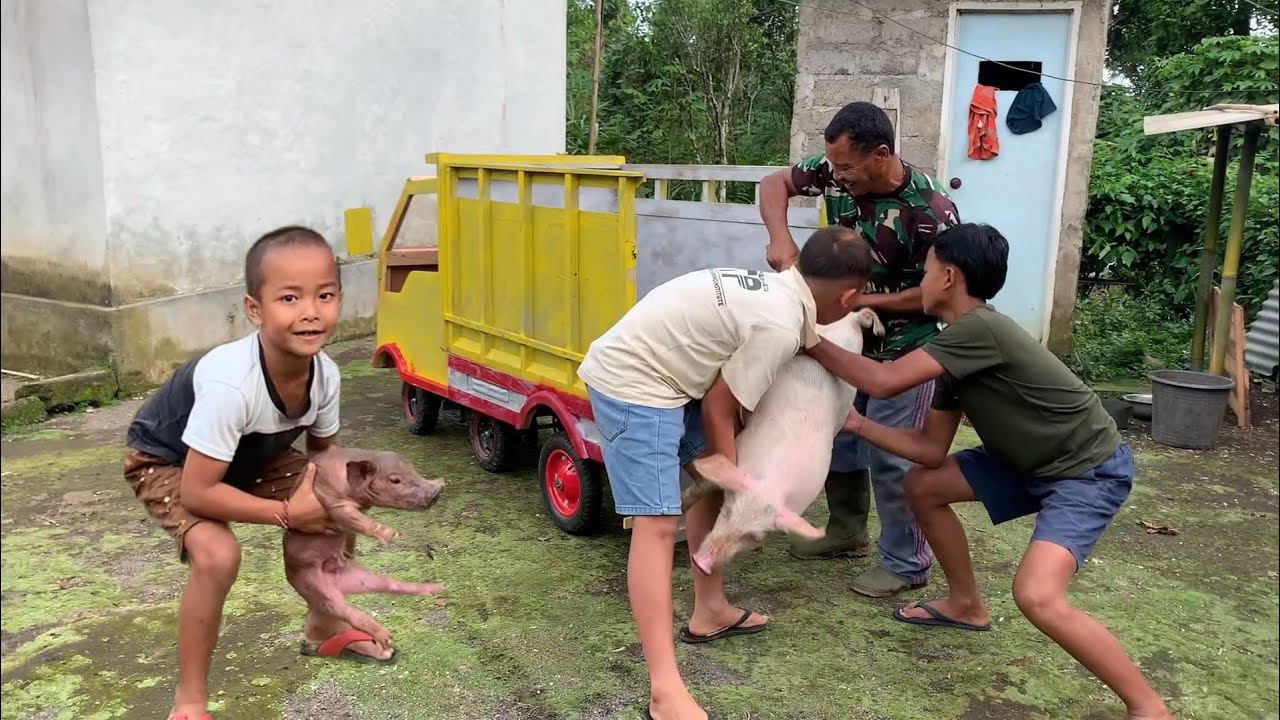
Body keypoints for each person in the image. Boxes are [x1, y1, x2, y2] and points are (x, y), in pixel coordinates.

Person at [804, 223, 1174, 720]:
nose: (922, 281)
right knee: (924, 486)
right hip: (1024, 460)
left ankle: (1148, 707)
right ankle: (964, 605)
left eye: (927, 271)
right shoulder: (958, 345)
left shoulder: (979, 330)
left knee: (1037, 596)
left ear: (949, 277)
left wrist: (806, 336)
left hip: (1085, 470)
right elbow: (930, 451)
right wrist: (855, 422)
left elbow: (886, 381)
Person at [577, 226, 874, 720]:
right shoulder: (780, 323)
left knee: (711, 481)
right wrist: (737, 483)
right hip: (635, 382)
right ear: (848, 297)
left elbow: (787, 346)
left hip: (673, 375)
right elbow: (719, 409)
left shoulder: (783, 293)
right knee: (654, 525)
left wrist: (724, 472)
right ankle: (664, 692)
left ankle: (709, 610)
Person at [123, 226, 367, 720]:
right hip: (170, 461)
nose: (310, 312)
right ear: (255, 309)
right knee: (217, 554)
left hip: (250, 453)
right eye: (289, 298)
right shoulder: (231, 385)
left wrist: (325, 500)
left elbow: (324, 462)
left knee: (339, 501)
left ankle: (324, 623)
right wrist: (284, 513)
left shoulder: (327, 375)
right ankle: (189, 701)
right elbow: (197, 493)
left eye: (324, 295)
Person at [758, 100, 961, 599]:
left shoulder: (931, 211)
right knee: (842, 436)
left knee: (892, 453)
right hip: (849, 336)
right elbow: (774, 183)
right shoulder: (835, 171)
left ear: (881, 155)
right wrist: (780, 237)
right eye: (834, 166)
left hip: (908, 346)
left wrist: (865, 298)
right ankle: (846, 531)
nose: (838, 176)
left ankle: (905, 560)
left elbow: (943, 290)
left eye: (848, 167)